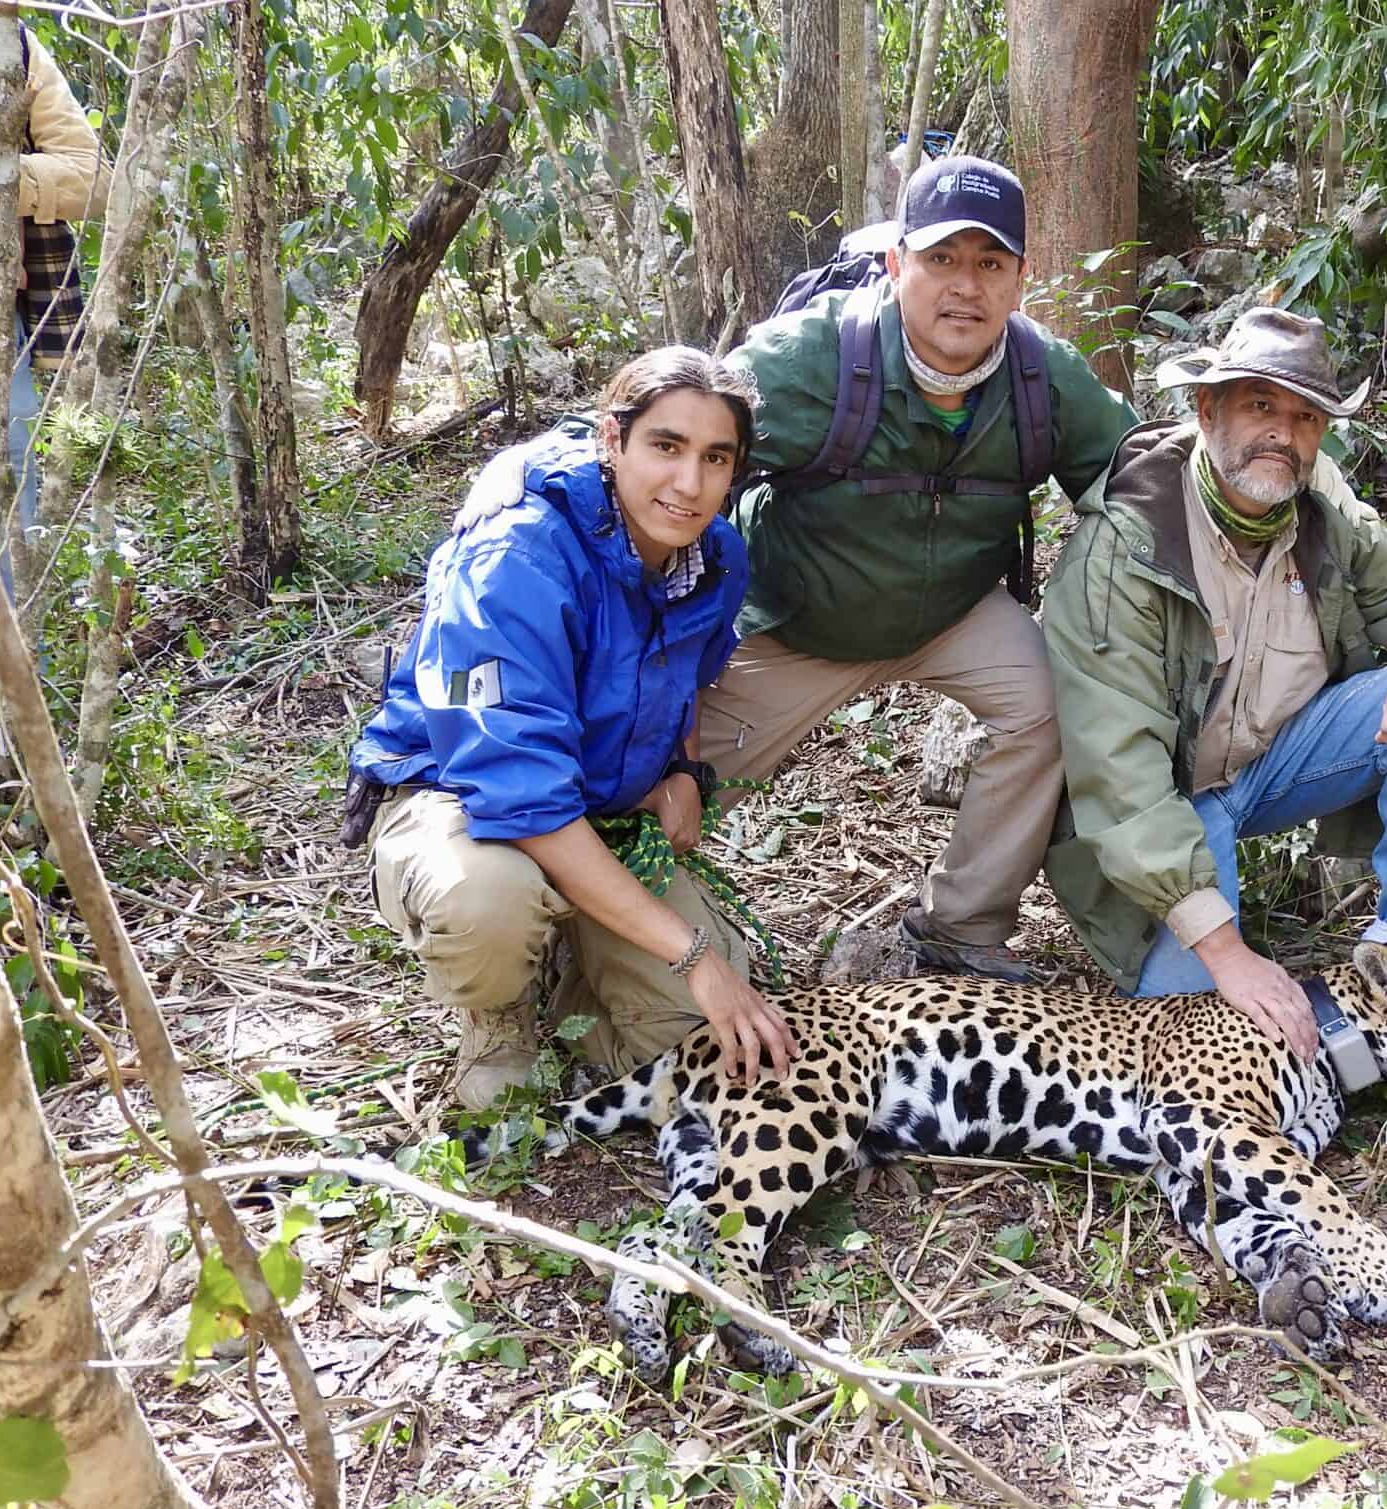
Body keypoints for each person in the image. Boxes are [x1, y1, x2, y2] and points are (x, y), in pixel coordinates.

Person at [461, 156, 1138, 982]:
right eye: (941, 260)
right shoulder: (817, 356)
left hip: (955, 612)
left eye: (990, 264)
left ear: (1021, 281)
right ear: (897, 264)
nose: (966, 287)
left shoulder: (1043, 379)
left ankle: (964, 926)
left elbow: (1134, 474)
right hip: (794, 619)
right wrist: (535, 461)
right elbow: (671, 419)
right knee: (658, 781)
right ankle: (584, 933)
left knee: (1048, 704)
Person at [1039, 308, 1387, 1058]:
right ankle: (1209, 941)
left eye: (1305, 417)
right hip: (1165, 805)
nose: (1284, 433)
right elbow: (1123, 779)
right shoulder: (1124, 552)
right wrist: (1229, 956)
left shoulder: (1322, 525)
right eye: (1260, 405)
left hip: (1274, 766)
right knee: (1198, 1028)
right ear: (1208, 410)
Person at [348, 347, 796, 1109]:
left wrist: (685, 771)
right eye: (666, 446)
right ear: (611, 441)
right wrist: (693, 956)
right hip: (461, 795)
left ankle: (571, 968)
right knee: (488, 898)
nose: (689, 484)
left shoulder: (715, 554)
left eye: (715, 458)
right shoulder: (513, 557)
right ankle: (500, 1011)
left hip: (597, 809)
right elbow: (520, 791)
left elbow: (686, 671)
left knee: (694, 1043)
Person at [8, 25, 109, 593]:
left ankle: (16, 677)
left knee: (9, 476)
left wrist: (5, 177)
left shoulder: (10, 44)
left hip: (1, 319)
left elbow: (91, 178)